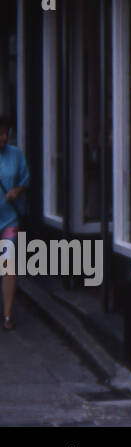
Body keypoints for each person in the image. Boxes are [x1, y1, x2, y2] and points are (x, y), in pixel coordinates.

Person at [0, 116, 32, 331]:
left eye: (5, 133)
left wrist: (17, 191)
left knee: (8, 266)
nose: (3, 137)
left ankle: (8, 315)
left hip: (9, 218)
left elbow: (25, 180)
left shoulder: (16, 154)